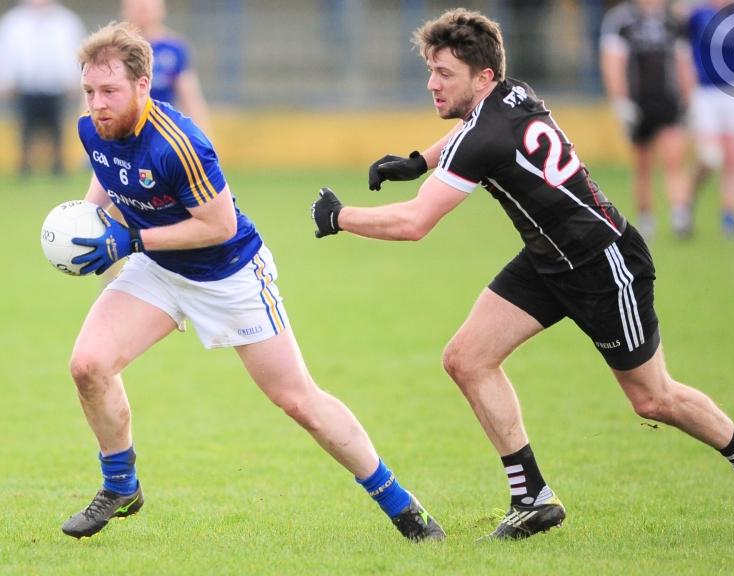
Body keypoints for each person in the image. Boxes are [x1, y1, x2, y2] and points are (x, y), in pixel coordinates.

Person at [310, 8, 734, 539]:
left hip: (603, 264)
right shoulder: (513, 92)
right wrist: (419, 162)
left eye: (444, 73)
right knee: (467, 359)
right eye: (430, 71)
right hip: (549, 259)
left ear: (482, 77)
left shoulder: (484, 134)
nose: (432, 84)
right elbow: (468, 134)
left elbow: (414, 222)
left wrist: (339, 217)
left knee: (653, 398)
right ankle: (532, 498)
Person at [59, 21, 444, 543]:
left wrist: (130, 241)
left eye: (110, 91)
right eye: (89, 91)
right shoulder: (91, 128)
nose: (97, 103)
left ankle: (402, 505)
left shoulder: (180, 145)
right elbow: (107, 172)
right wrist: (85, 221)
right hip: (159, 268)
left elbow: (218, 226)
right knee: (88, 365)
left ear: (143, 85)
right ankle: (121, 486)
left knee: (298, 400)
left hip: (230, 273)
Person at [599, 0, 694, 239]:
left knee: (674, 158)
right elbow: (613, 63)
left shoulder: (672, 20)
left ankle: (680, 215)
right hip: (639, 104)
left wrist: (689, 97)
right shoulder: (622, 20)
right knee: (643, 164)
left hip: (668, 101)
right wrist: (620, 101)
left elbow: (683, 61)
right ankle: (646, 219)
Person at [684, 0, 734, 237]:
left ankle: (730, 217)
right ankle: (687, 201)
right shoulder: (698, 13)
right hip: (706, 93)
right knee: (710, 157)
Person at [0, 0, 85, 176]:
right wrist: (6, 80)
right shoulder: (13, 22)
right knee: (25, 130)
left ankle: (58, 166)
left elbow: (77, 51)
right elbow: (6, 53)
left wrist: (76, 79)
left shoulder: (66, 21)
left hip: (57, 89)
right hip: (24, 88)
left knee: (57, 130)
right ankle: (25, 167)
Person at [120, 0, 210, 131]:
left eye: (146, 7)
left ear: (161, 9)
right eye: (138, 7)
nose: (142, 12)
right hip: (123, 128)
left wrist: (202, 136)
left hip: (160, 128)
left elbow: (189, 97)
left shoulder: (174, 49)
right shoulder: (114, 49)